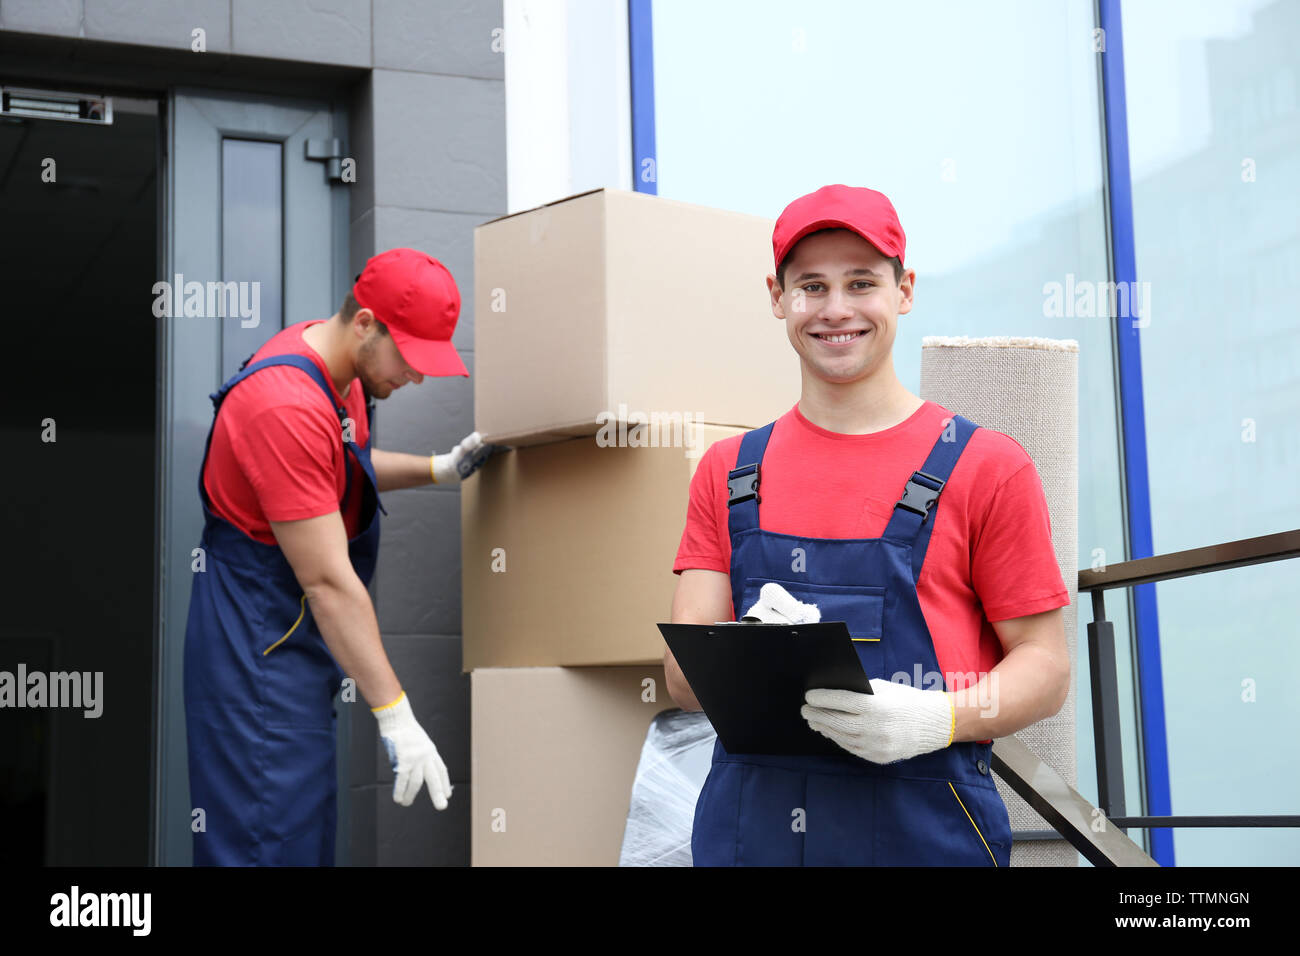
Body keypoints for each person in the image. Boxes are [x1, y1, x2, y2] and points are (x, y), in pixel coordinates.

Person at [665, 185, 1071, 866]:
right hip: (753, 837)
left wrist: (940, 717)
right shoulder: (730, 472)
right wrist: (752, 650)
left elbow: (1047, 665)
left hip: (924, 833)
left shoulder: (985, 466)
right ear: (777, 298)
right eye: (811, 286)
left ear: (904, 289)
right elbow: (680, 679)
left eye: (861, 283)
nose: (836, 310)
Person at [184, 247, 497, 866]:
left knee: (301, 835)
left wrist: (438, 469)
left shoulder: (336, 374)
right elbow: (328, 582)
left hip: (290, 644)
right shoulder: (284, 403)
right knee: (263, 843)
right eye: (409, 357)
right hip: (255, 649)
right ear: (364, 323)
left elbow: (331, 469)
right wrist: (397, 715)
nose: (417, 377)